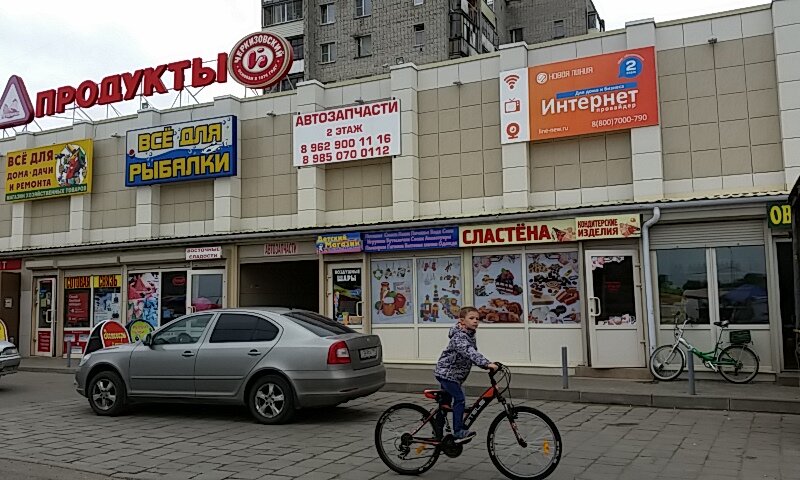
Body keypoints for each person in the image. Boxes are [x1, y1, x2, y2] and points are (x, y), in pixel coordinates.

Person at [433, 306, 498, 443]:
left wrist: (486, 363)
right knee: (460, 398)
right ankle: (458, 431)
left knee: (445, 403)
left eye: (477, 319)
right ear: (462, 321)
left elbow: (471, 354)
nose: (475, 321)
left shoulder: (469, 334)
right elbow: (469, 351)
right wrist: (486, 364)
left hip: (454, 376)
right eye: (471, 318)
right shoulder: (460, 336)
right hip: (447, 374)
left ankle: (437, 431)